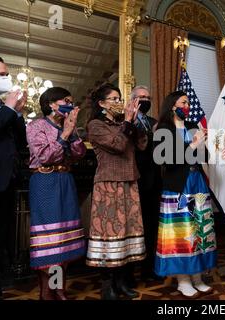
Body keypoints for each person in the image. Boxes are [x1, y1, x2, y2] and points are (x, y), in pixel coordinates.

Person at [154, 90, 216, 298]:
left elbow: (204, 156)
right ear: (173, 106)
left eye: (188, 102)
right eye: (183, 102)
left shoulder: (192, 127)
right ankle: (183, 279)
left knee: (200, 229)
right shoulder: (163, 129)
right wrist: (193, 144)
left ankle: (197, 276)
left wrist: (202, 143)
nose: (187, 105)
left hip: (197, 182)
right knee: (181, 233)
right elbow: (168, 160)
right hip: (177, 187)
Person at [86, 83, 145, 300]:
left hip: (130, 181)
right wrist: (128, 122)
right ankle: (107, 285)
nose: (119, 102)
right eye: (114, 99)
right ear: (101, 103)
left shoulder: (123, 123)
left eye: (120, 98)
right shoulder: (95, 125)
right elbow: (118, 145)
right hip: (109, 184)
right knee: (110, 234)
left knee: (126, 234)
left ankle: (121, 282)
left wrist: (134, 122)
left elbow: (142, 145)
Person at [26, 87, 87, 300]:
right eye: (65, 100)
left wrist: (72, 131)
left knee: (64, 237)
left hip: (65, 181)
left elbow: (80, 153)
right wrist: (65, 134)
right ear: (51, 104)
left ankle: (59, 287)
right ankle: (46, 291)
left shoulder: (68, 125)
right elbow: (45, 156)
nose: (69, 104)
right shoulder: (36, 125)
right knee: (49, 239)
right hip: (44, 181)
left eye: (71, 101)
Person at [0, 55, 27, 300]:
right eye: (1, 74)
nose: (6, 79)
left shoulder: (2, 105)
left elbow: (20, 142)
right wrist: (9, 108)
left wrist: (17, 113)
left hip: (6, 181)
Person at [129, 85, 162, 282]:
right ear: (133, 99)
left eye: (148, 97)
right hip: (133, 180)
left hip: (154, 181)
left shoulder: (154, 122)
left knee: (151, 228)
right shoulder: (125, 121)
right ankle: (130, 273)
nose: (145, 100)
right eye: (141, 96)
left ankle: (149, 270)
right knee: (134, 228)